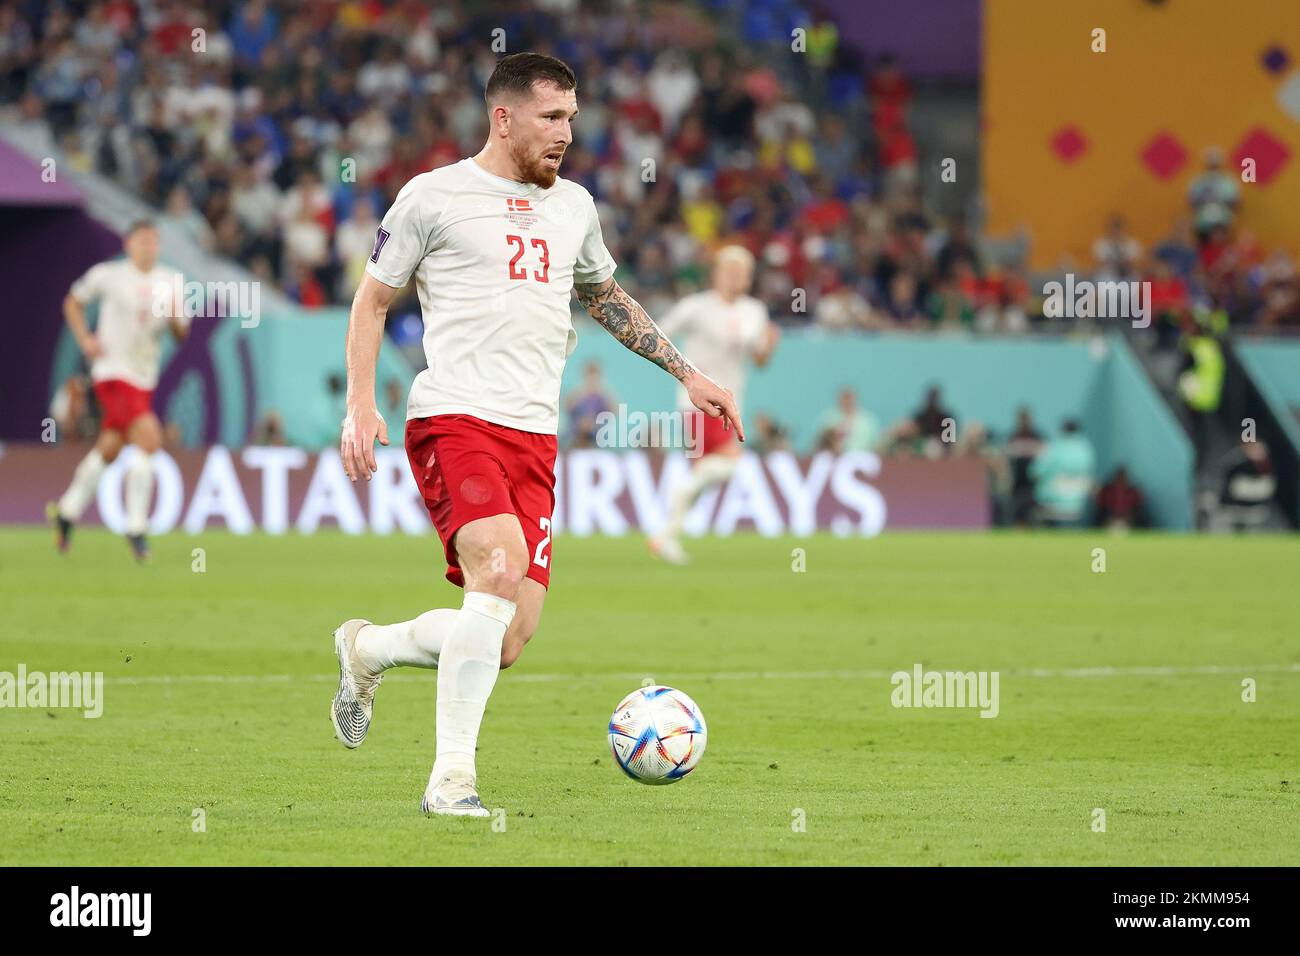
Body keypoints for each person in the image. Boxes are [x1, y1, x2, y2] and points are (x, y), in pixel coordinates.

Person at [331, 53, 742, 816]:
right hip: (454, 416)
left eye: (572, 120)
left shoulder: (575, 207)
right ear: (504, 117)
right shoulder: (434, 197)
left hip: (534, 437)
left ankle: (367, 649)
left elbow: (605, 295)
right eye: (552, 119)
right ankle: (452, 781)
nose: (566, 134)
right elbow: (371, 302)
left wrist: (685, 373)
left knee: (507, 636)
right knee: (496, 564)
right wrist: (361, 403)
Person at [48, 220, 186, 560]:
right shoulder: (108, 274)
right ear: (128, 244)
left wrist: (173, 320)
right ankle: (136, 528)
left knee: (110, 446)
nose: (148, 247)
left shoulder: (171, 282)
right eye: (142, 241)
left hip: (144, 376)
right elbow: (72, 302)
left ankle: (66, 512)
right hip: (112, 372)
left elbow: (181, 335)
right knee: (150, 439)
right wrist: (85, 339)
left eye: (154, 242)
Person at [647, 245, 778, 564]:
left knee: (708, 474)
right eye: (732, 270)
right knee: (730, 463)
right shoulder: (697, 307)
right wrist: (685, 371)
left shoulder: (754, 311)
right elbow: (658, 333)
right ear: (718, 273)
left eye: (744, 272)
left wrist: (770, 345)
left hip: (733, 402)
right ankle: (672, 519)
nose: (738, 277)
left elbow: (759, 359)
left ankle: (667, 535)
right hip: (699, 401)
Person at [1029, 420, 1096, 527]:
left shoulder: (1054, 447)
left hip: (1051, 505)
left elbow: (1035, 471)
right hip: (1079, 505)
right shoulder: (1086, 450)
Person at [815, 387, 879, 453]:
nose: (848, 401)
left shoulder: (867, 420)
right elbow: (819, 442)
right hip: (835, 456)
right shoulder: (829, 418)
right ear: (839, 399)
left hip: (863, 456)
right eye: (845, 398)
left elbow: (876, 444)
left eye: (850, 398)